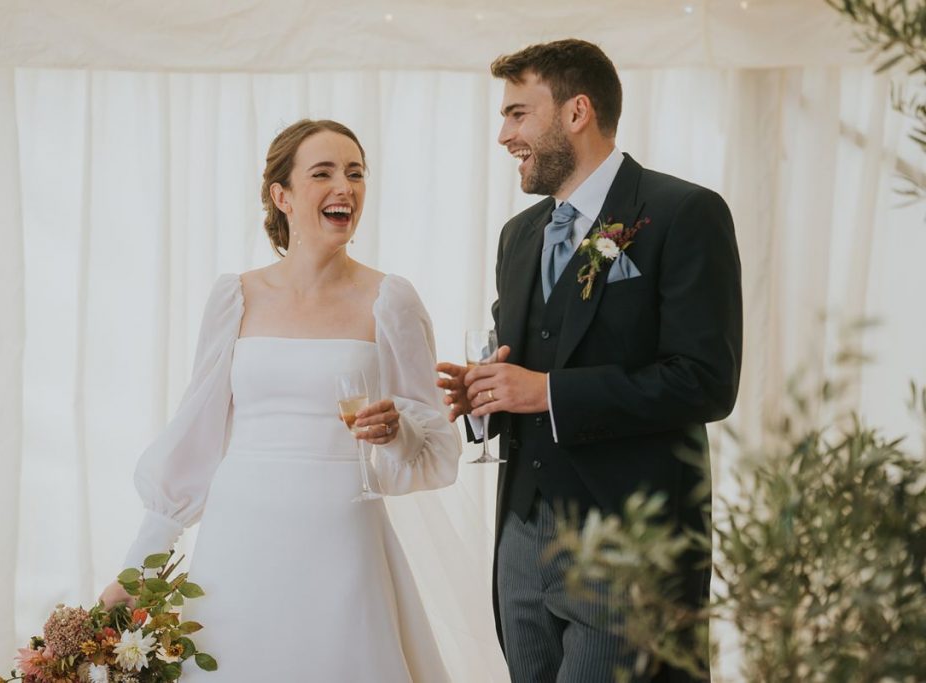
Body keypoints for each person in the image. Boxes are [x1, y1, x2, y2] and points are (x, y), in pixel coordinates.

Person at [99, 119, 462, 681]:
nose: (346, 186)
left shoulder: (390, 299)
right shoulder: (235, 297)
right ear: (282, 195)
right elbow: (193, 439)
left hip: (342, 533)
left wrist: (397, 431)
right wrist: (136, 572)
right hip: (239, 537)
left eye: (356, 173)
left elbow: (435, 444)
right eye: (324, 173)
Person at [437, 39, 743, 683]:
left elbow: (705, 381)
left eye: (518, 113)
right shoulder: (518, 237)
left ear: (577, 112)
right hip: (520, 539)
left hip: (627, 546)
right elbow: (516, 362)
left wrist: (546, 393)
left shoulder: (683, 213)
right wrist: (482, 395)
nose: (503, 135)